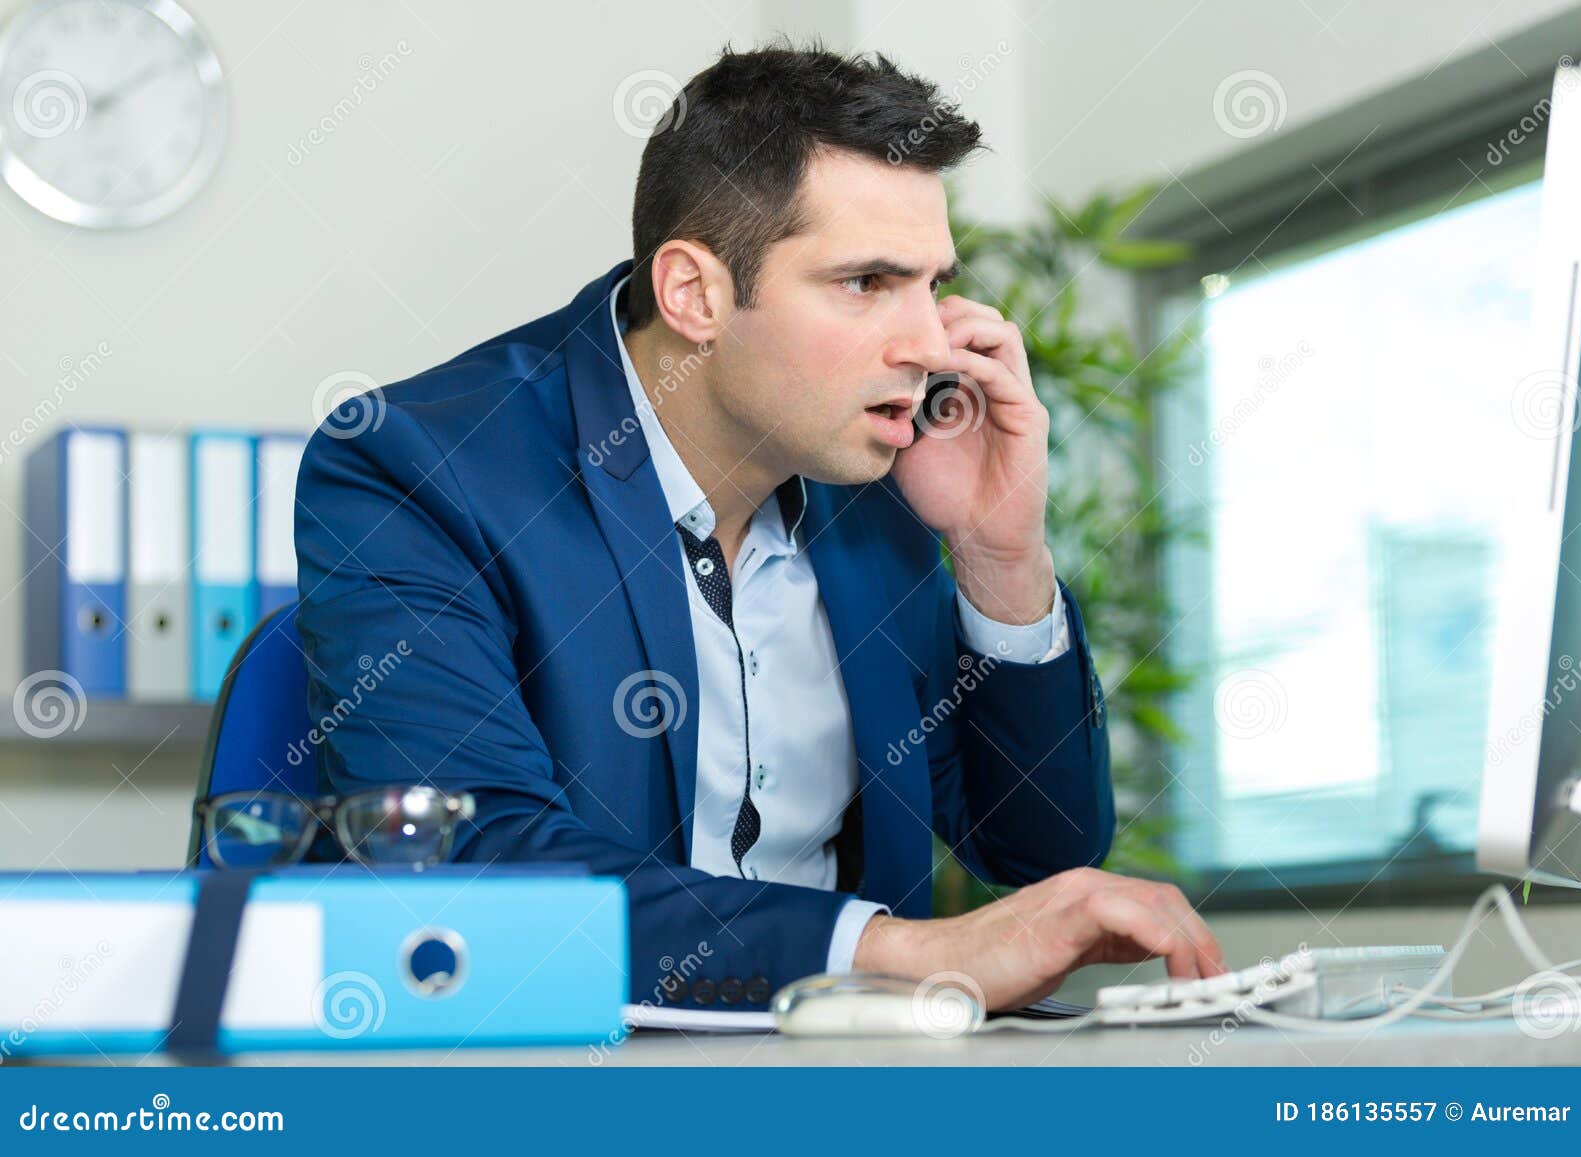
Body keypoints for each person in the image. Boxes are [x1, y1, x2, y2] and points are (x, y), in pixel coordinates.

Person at [294, 40, 1226, 1013]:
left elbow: (1035, 848)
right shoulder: (421, 467)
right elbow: (476, 874)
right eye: (865, 283)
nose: (926, 344)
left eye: (930, 282)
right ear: (694, 292)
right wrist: (895, 951)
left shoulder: (881, 483)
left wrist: (1000, 554)